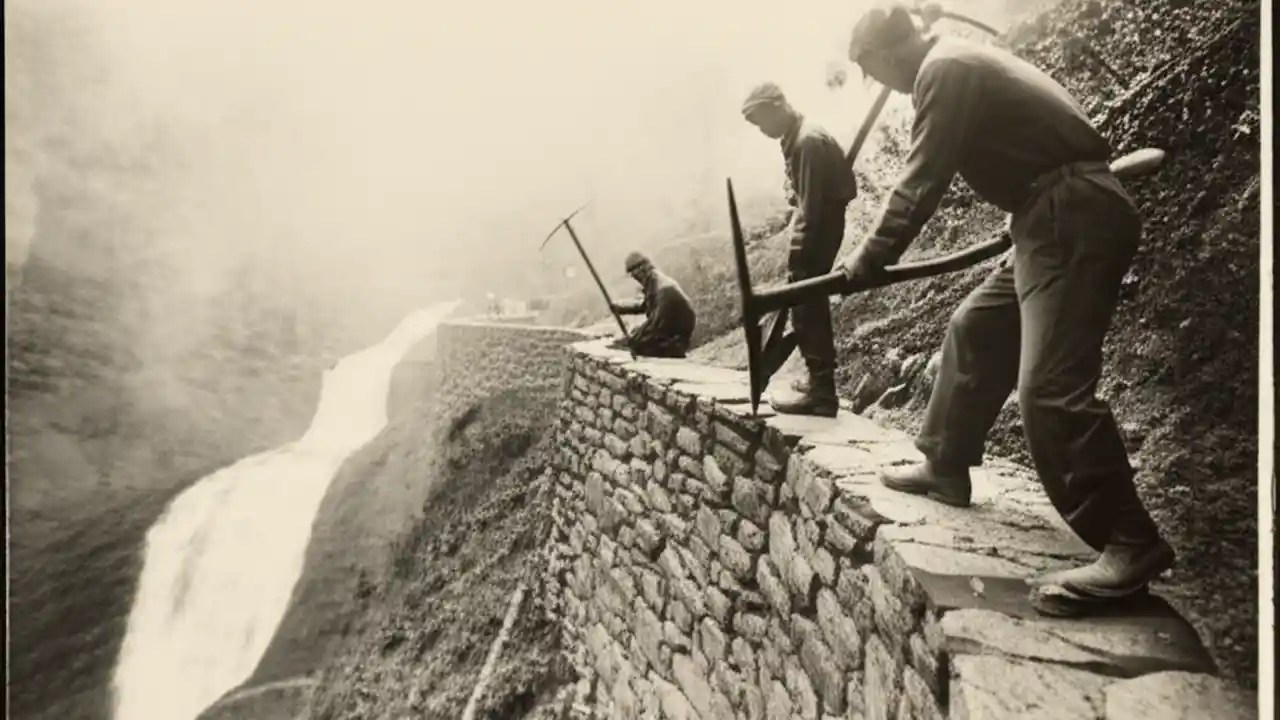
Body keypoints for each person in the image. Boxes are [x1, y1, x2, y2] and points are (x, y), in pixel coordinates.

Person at [840, 2, 1171, 616]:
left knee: (1048, 387)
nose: (878, 82)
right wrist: (1021, 211)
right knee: (977, 328)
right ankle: (945, 465)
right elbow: (1023, 150)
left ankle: (1130, 540)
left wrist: (869, 257)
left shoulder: (944, 70)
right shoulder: (959, 58)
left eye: (870, 70)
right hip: (1046, 214)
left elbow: (921, 180)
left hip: (1069, 215)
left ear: (883, 57)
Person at [742, 82, 858, 417]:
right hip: (819, 226)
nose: (763, 130)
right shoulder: (796, 139)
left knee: (808, 307)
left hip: (819, 231)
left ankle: (822, 393)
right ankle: (816, 380)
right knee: (806, 306)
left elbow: (813, 211)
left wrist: (799, 256)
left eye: (763, 121)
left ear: (779, 106)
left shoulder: (808, 141)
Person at [609, 251, 696, 358]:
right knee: (637, 341)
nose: (634, 278)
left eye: (635, 274)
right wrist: (620, 308)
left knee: (640, 347)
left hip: (674, 338)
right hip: (670, 332)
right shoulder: (654, 283)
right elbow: (645, 306)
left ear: (643, 268)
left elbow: (656, 325)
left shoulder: (664, 289)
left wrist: (634, 340)